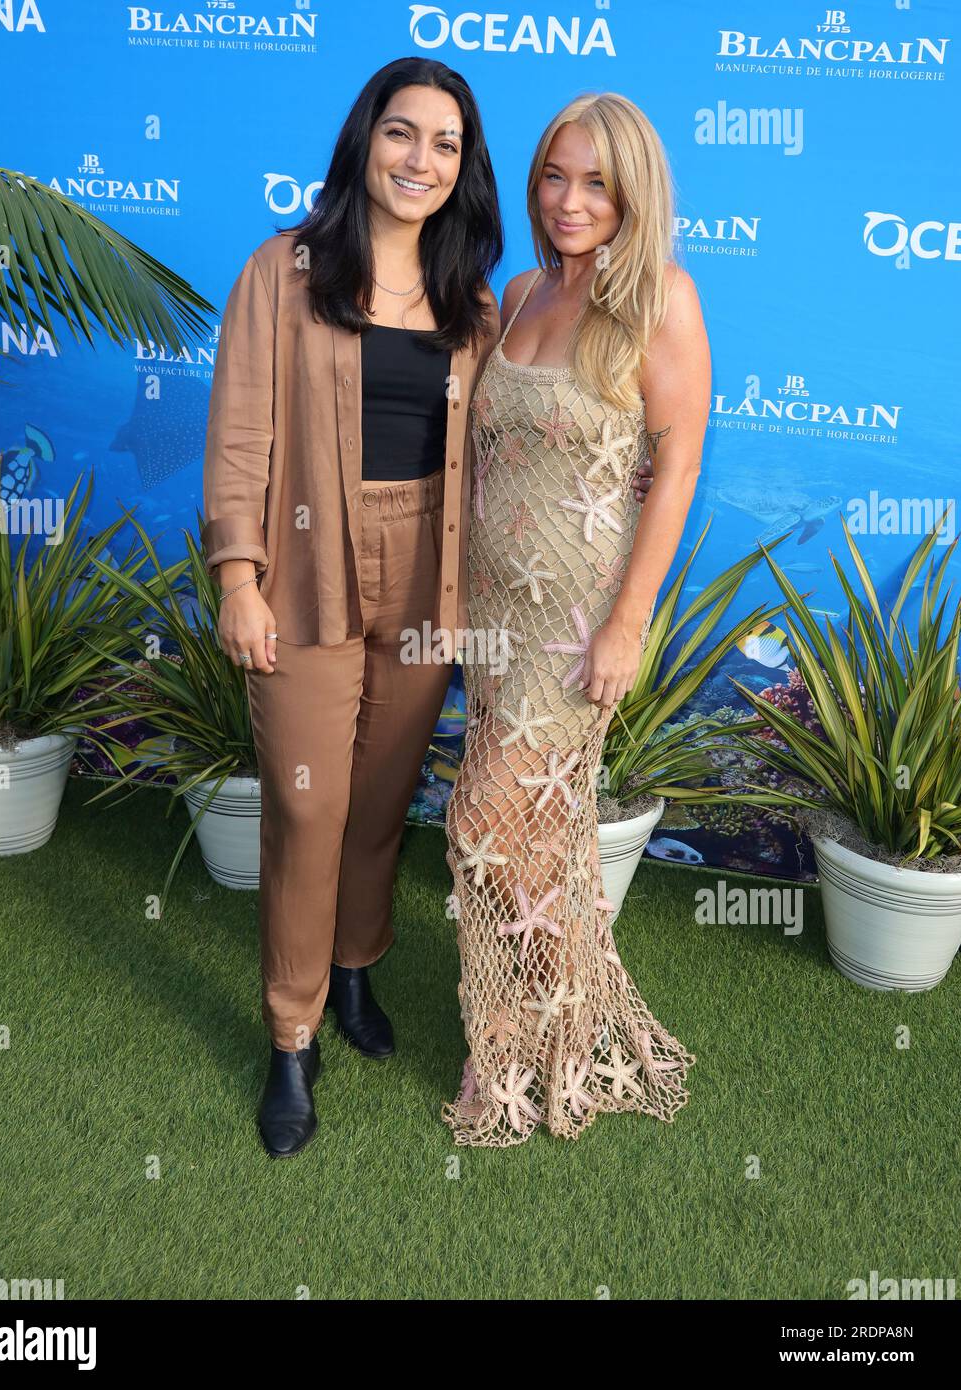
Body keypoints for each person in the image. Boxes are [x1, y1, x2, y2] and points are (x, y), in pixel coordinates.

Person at [201, 57, 503, 1157]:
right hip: (306, 567)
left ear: (462, 169)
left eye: (444, 144)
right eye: (400, 133)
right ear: (362, 139)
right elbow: (239, 435)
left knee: (379, 805)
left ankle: (354, 973)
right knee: (310, 808)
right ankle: (290, 1035)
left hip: (429, 575)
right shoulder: (281, 273)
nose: (419, 159)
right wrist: (239, 577)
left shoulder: (471, 300)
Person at [442, 92, 711, 1146]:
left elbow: (677, 463)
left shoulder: (660, 302)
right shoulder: (518, 292)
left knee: (484, 826)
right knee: (531, 841)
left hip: (575, 621)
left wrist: (628, 622)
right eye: (554, 174)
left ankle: (528, 1032)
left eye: (594, 181)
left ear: (631, 191)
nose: (567, 199)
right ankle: (549, 1023)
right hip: (496, 618)